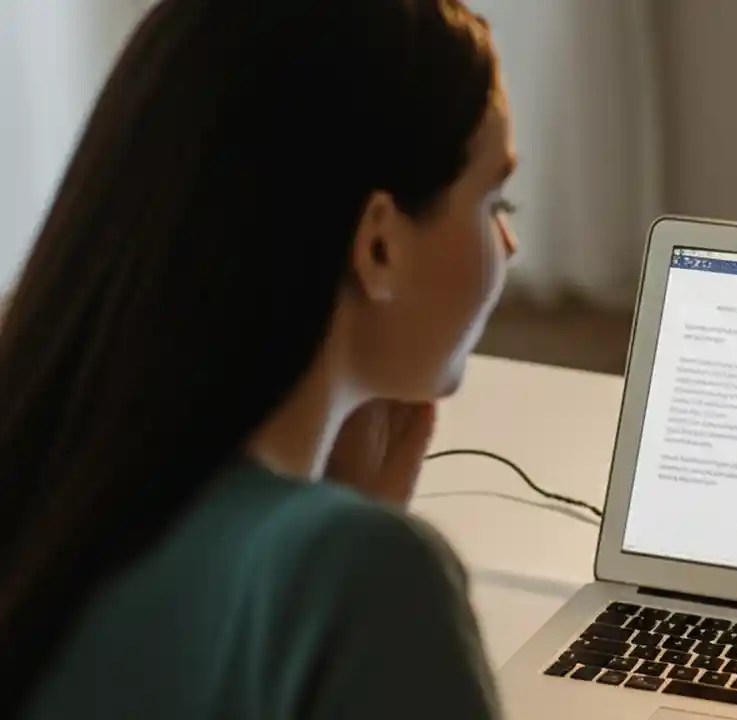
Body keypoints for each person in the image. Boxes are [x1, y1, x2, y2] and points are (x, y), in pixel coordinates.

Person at [0, 0, 518, 717]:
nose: (508, 246)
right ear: (379, 246)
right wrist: (343, 561)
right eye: (496, 204)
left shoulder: (47, 487)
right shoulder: (361, 577)